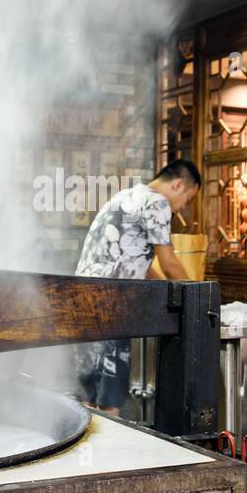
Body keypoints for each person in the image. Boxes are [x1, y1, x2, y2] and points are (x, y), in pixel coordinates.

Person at [73, 159, 202, 416]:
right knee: (110, 402)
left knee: (89, 399)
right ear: (178, 185)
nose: (183, 208)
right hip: (110, 304)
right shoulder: (157, 203)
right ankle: (109, 453)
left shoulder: (127, 196)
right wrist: (200, 295)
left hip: (82, 297)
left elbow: (138, 264)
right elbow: (168, 262)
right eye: (188, 199)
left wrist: (166, 285)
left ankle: (89, 454)